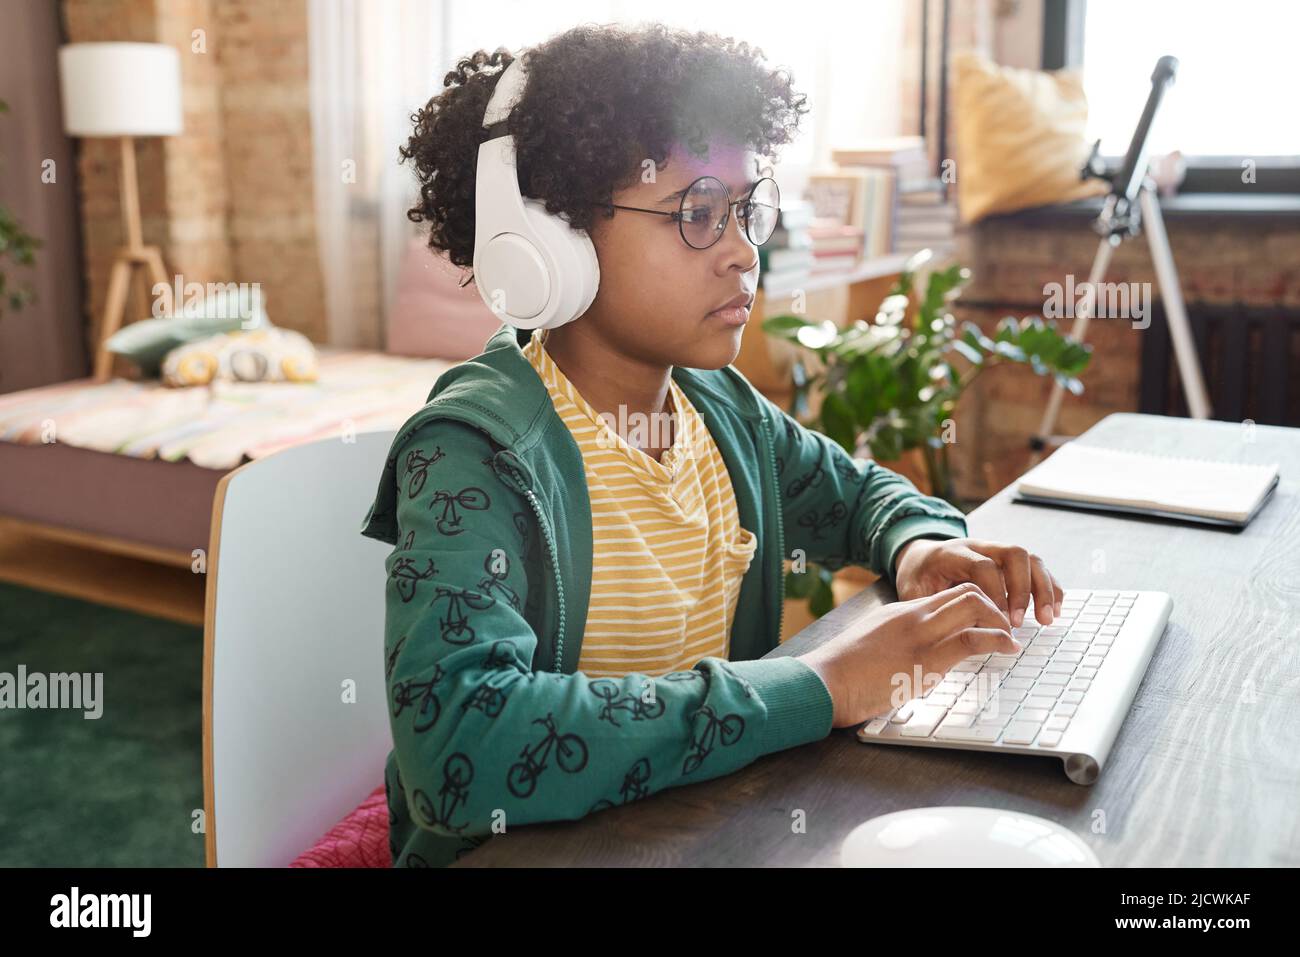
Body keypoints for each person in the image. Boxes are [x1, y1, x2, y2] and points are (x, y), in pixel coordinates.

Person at [361, 22, 1063, 867]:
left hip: (704, 833)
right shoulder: (476, 452)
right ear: (551, 236)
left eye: (745, 209)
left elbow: (861, 496)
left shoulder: (719, 411)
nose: (742, 251)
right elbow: (461, 750)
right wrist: (820, 685)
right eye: (697, 211)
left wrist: (919, 548)